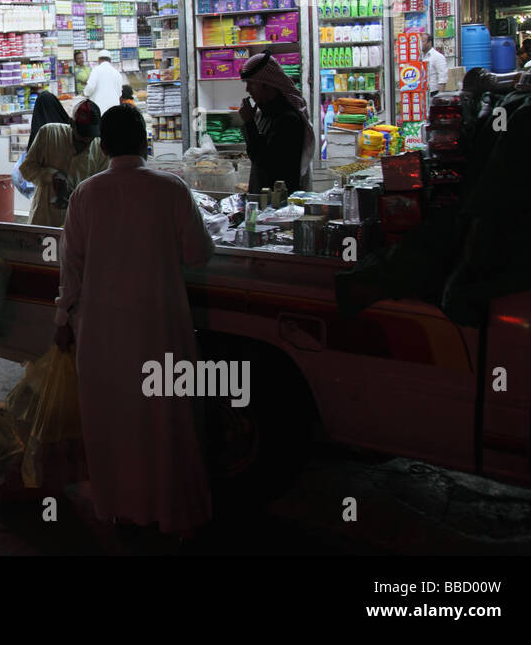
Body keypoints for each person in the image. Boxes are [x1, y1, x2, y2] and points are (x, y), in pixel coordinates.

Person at [53, 105, 215, 539]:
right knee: (164, 420)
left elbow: (71, 270)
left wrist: (61, 317)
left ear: (103, 146)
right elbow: (199, 253)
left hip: (102, 331)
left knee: (112, 420)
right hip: (160, 326)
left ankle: (118, 508)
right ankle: (167, 511)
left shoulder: (86, 194)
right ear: (147, 141)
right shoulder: (173, 189)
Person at [19, 99, 108, 226]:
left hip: (80, 224)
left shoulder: (100, 149)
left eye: (91, 135)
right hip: (44, 219)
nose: (86, 140)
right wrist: (51, 175)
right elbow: (26, 169)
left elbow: (103, 190)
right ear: (71, 123)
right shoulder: (49, 134)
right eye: (82, 133)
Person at [238, 51, 314, 194]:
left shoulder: (288, 119)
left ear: (267, 84)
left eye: (251, 84)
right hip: (263, 201)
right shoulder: (264, 114)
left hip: (278, 205)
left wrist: (249, 123)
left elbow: (266, 162)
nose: (248, 89)